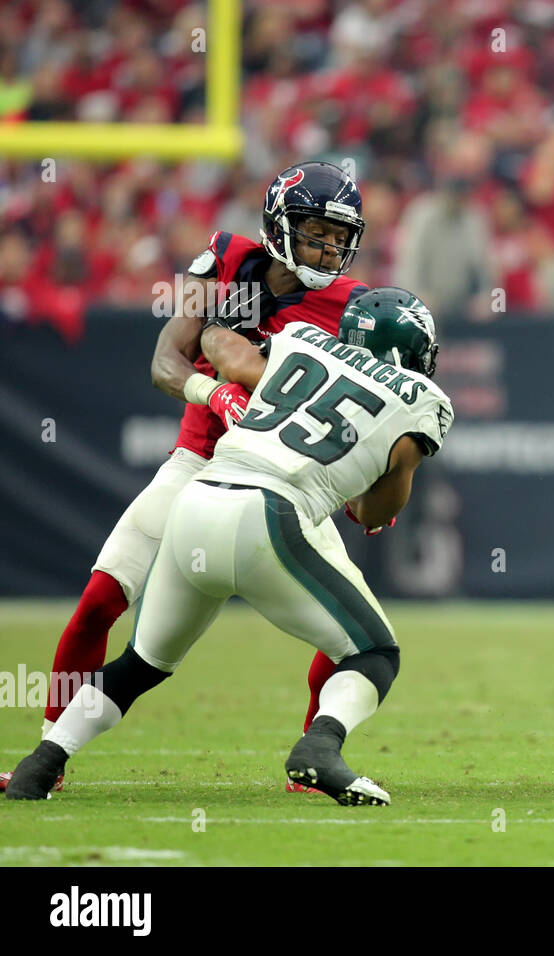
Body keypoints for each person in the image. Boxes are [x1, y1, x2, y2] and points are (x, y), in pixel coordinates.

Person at [0, 161, 369, 796]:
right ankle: (49, 757)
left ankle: (310, 763)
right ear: (280, 226)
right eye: (316, 231)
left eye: (341, 237)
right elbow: (165, 360)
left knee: (354, 634)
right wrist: (214, 394)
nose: (330, 248)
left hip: (287, 480)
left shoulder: (352, 303)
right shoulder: (227, 258)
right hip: (200, 462)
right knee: (99, 602)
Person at [7, 288, 452, 806]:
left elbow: (221, 344)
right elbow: (375, 512)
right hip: (270, 515)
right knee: (375, 652)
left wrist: (217, 377)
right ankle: (321, 746)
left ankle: (38, 766)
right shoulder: (422, 399)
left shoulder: (303, 339)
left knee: (141, 665)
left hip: (198, 499)